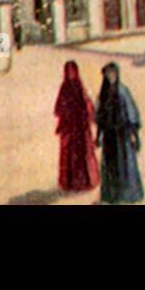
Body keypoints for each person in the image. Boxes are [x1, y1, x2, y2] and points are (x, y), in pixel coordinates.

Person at [95, 61, 143, 203]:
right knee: (111, 167)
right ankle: (112, 196)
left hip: (123, 136)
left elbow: (132, 115)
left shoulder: (123, 91)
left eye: (113, 73)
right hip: (109, 137)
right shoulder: (103, 94)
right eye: (108, 74)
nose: (110, 76)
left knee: (125, 166)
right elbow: (100, 117)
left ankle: (128, 195)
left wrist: (136, 137)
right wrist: (98, 136)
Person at [54, 60, 99, 192]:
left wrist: (88, 115)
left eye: (72, 71)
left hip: (80, 128)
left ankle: (87, 181)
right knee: (70, 157)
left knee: (83, 155)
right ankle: (69, 183)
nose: (70, 74)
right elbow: (58, 108)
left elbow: (88, 105)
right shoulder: (64, 88)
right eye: (68, 71)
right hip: (70, 128)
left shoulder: (80, 87)